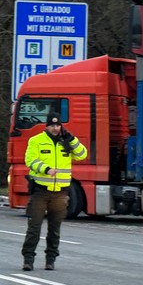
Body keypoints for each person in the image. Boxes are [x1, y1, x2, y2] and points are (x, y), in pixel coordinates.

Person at [20, 112, 88, 271]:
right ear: (47, 126)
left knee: (54, 229)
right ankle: (28, 259)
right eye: (52, 125)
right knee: (34, 227)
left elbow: (82, 155)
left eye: (58, 125)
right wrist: (46, 169)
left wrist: (73, 140)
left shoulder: (66, 141)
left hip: (60, 193)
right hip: (40, 192)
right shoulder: (36, 141)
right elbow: (30, 160)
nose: (56, 128)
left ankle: (50, 260)